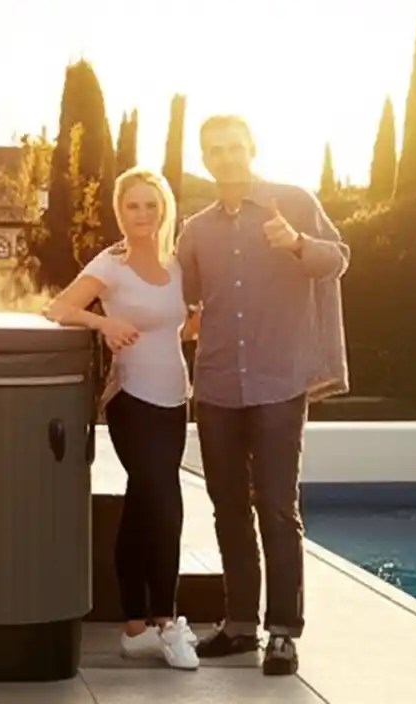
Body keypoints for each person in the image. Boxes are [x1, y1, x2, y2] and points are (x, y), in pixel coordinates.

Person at [176, 114, 350, 676]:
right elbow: (179, 296)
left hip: (278, 383)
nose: (225, 157)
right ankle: (240, 625)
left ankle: (282, 633)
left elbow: (339, 258)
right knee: (227, 508)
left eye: (233, 146)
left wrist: (296, 243)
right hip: (220, 384)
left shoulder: (292, 202)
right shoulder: (196, 229)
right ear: (206, 158)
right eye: (214, 150)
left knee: (276, 507)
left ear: (251, 148)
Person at [43, 168, 200, 671]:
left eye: (151, 205)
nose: (142, 214)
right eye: (133, 205)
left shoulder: (178, 265)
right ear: (120, 211)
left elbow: (185, 324)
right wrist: (103, 321)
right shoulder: (110, 265)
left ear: (164, 210)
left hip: (176, 399)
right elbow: (58, 307)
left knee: (141, 506)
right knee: (166, 502)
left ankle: (134, 630)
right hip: (131, 401)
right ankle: (167, 621)